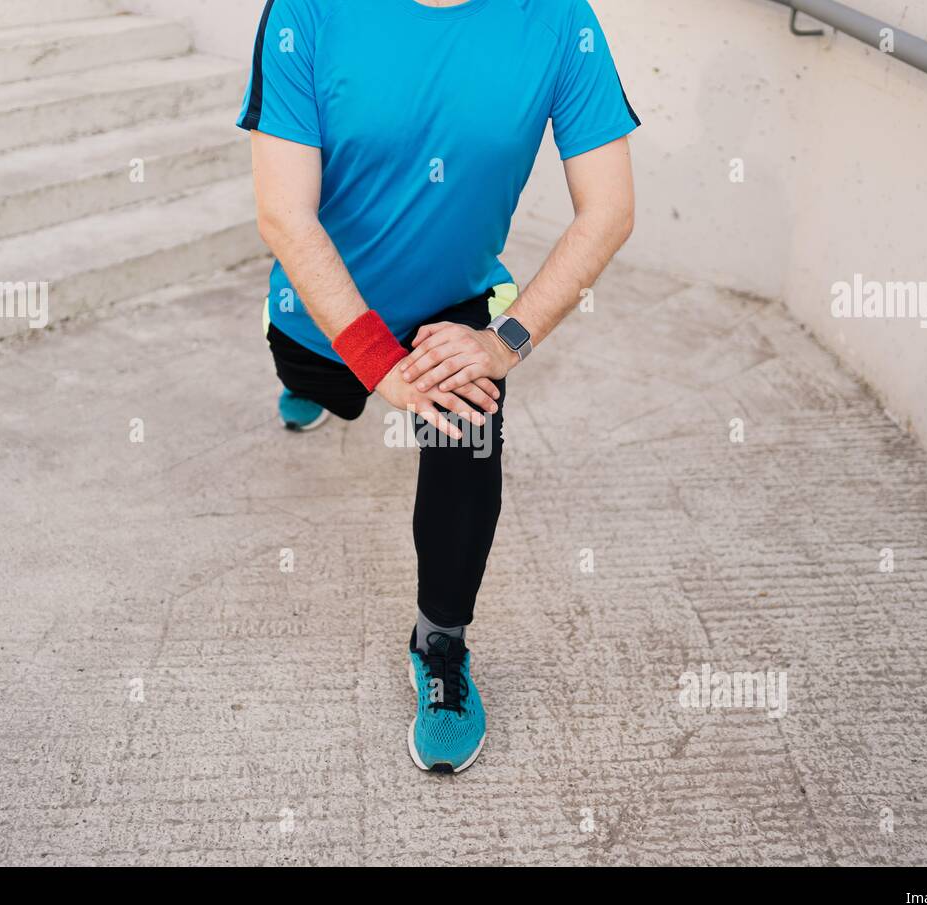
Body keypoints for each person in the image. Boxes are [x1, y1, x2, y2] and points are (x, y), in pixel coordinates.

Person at [238, 0, 638, 773]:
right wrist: (374, 361)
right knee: (307, 379)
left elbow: (611, 209)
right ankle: (309, 386)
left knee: (469, 432)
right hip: (327, 311)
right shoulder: (306, 12)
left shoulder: (557, 19)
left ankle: (440, 645)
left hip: (455, 305)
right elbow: (284, 214)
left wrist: (502, 342)